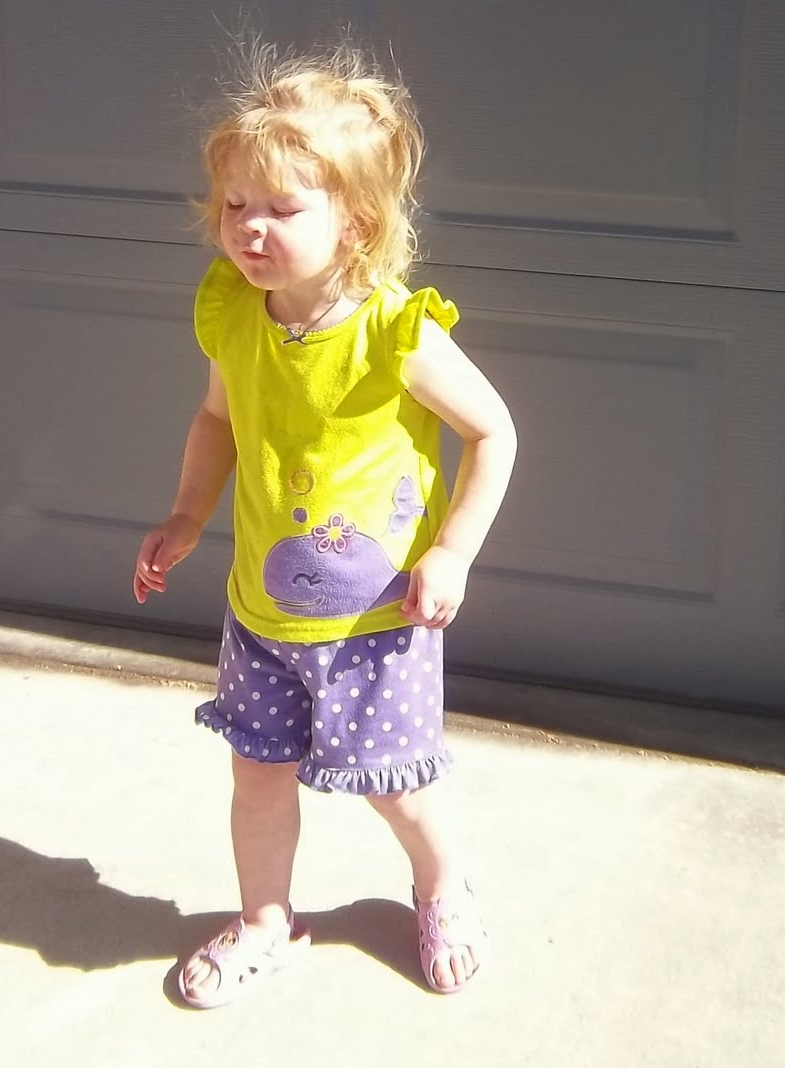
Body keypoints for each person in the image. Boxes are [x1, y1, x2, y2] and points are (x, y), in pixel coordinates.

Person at [133, 42, 517, 1008]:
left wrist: (452, 552)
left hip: (378, 625)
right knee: (257, 779)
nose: (250, 227)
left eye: (282, 208)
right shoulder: (235, 314)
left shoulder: (395, 332)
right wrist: (186, 515)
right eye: (235, 205)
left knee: (397, 786)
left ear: (357, 223)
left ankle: (443, 889)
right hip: (261, 614)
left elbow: (494, 433)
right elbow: (218, 420)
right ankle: (267, 921)